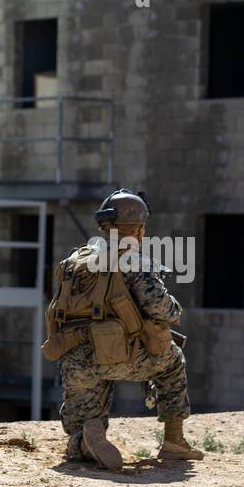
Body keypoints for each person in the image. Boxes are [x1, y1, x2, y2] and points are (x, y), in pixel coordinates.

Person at [43, 189, 204, 470]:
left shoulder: (74, 261)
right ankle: (174, 443)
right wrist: (175, 308)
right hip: (121, 355)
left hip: (76, 358)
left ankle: (83, 442)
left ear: (104, 227)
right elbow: (163, 310)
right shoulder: (135, 262)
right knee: (173, 359)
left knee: (83, 423)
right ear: (139, 228)